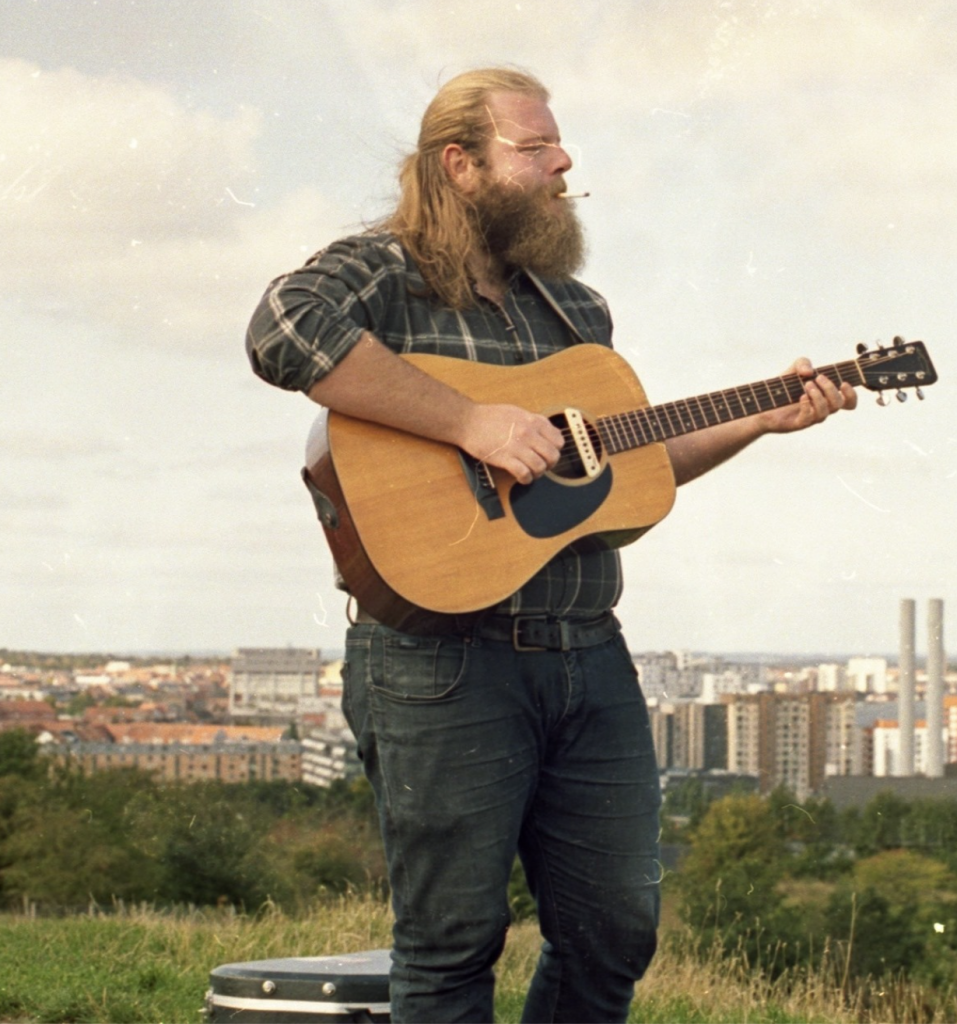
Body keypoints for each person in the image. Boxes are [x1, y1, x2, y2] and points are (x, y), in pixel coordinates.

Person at [246, 67, 856, 1024]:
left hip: (585, 654)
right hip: (439, 663)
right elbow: (281, 329)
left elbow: (622, 468)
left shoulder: (573, 312)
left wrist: (761, 419)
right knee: (450, 948)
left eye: (557, 145)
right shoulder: (384, 271)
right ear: (462, 164)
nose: (562, 162)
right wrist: (469, 423)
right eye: (534, 148)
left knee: (615, 930)